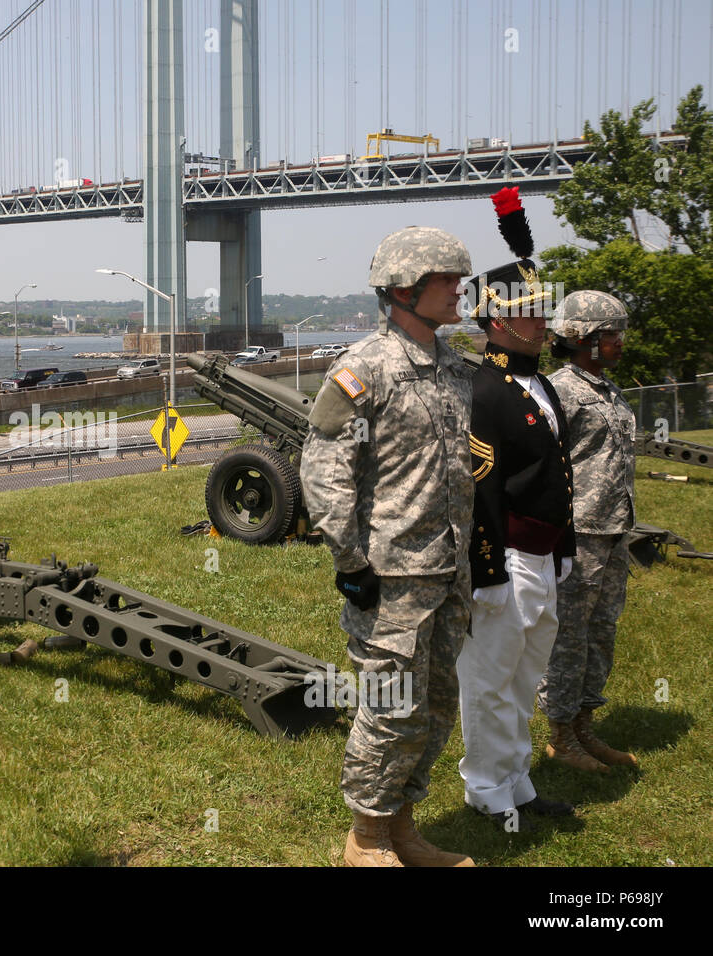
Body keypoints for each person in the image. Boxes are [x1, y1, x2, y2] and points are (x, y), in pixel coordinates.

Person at [300, 226, 475, 867]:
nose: (460, 289)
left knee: (434, 705)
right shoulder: (363, 369)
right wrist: (350, 561)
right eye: (447, 280)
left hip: (446, 568)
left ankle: (402, 827)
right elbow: (324, 470)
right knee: (389, 707)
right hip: (391, 574)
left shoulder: (454, 366)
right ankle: (365, 838)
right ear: (406, 289)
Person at [459, 187, 576, 830]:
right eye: (532, 313)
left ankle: (517, 781)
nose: (544, 322)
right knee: (492, 683)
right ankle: (485, 791)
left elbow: (553, 474)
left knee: (526, 678)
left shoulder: (541, 383)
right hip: (504, 557)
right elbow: (481, 487)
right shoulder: (485, 391)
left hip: (544, 554)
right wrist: (489, 572)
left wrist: (563, 552)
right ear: (497, 322)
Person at [537, 291, 639, 770]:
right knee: (568, 636)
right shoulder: (558, 392)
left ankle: (584, 725)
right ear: (584, 339)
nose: (620, 342)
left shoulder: (609, 391)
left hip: (613, 531)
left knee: (601, 632)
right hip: (577, 534)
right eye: (611, 335)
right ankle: (561, 734)